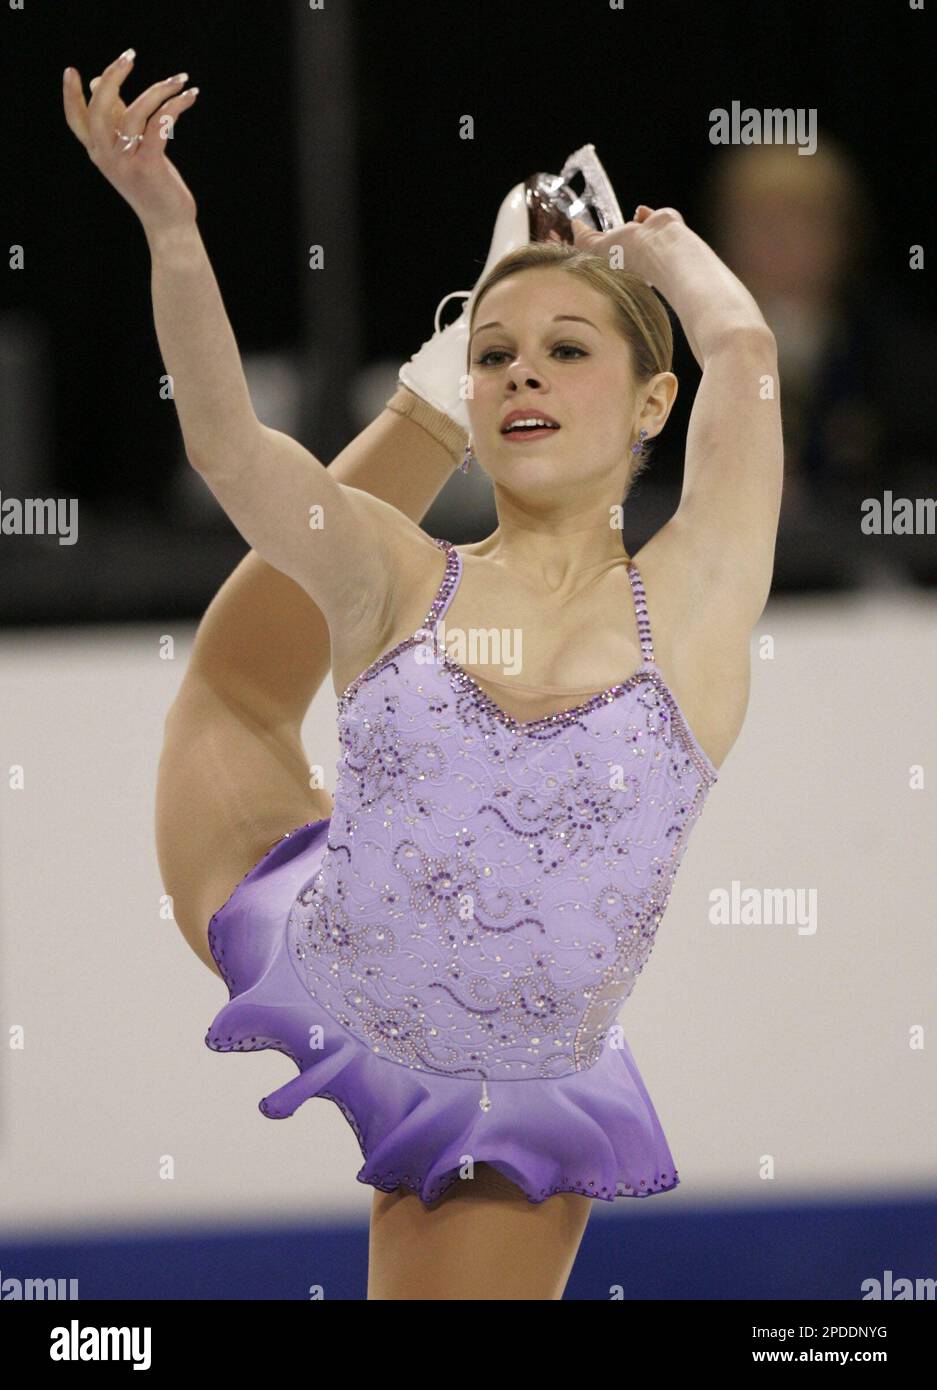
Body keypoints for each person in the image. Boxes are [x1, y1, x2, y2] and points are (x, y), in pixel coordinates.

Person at [64, 51, 783, 1300]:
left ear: (654, 399)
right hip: (307, 930)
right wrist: (170, 230)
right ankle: (422, 396)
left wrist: (656, 246)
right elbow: (229, 445)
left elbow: (743, 342)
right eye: (495, 356)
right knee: (231, 689)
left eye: (566, 352)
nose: (524, 375)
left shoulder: (697, 596)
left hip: (508, 1094)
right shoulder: (405, 573)